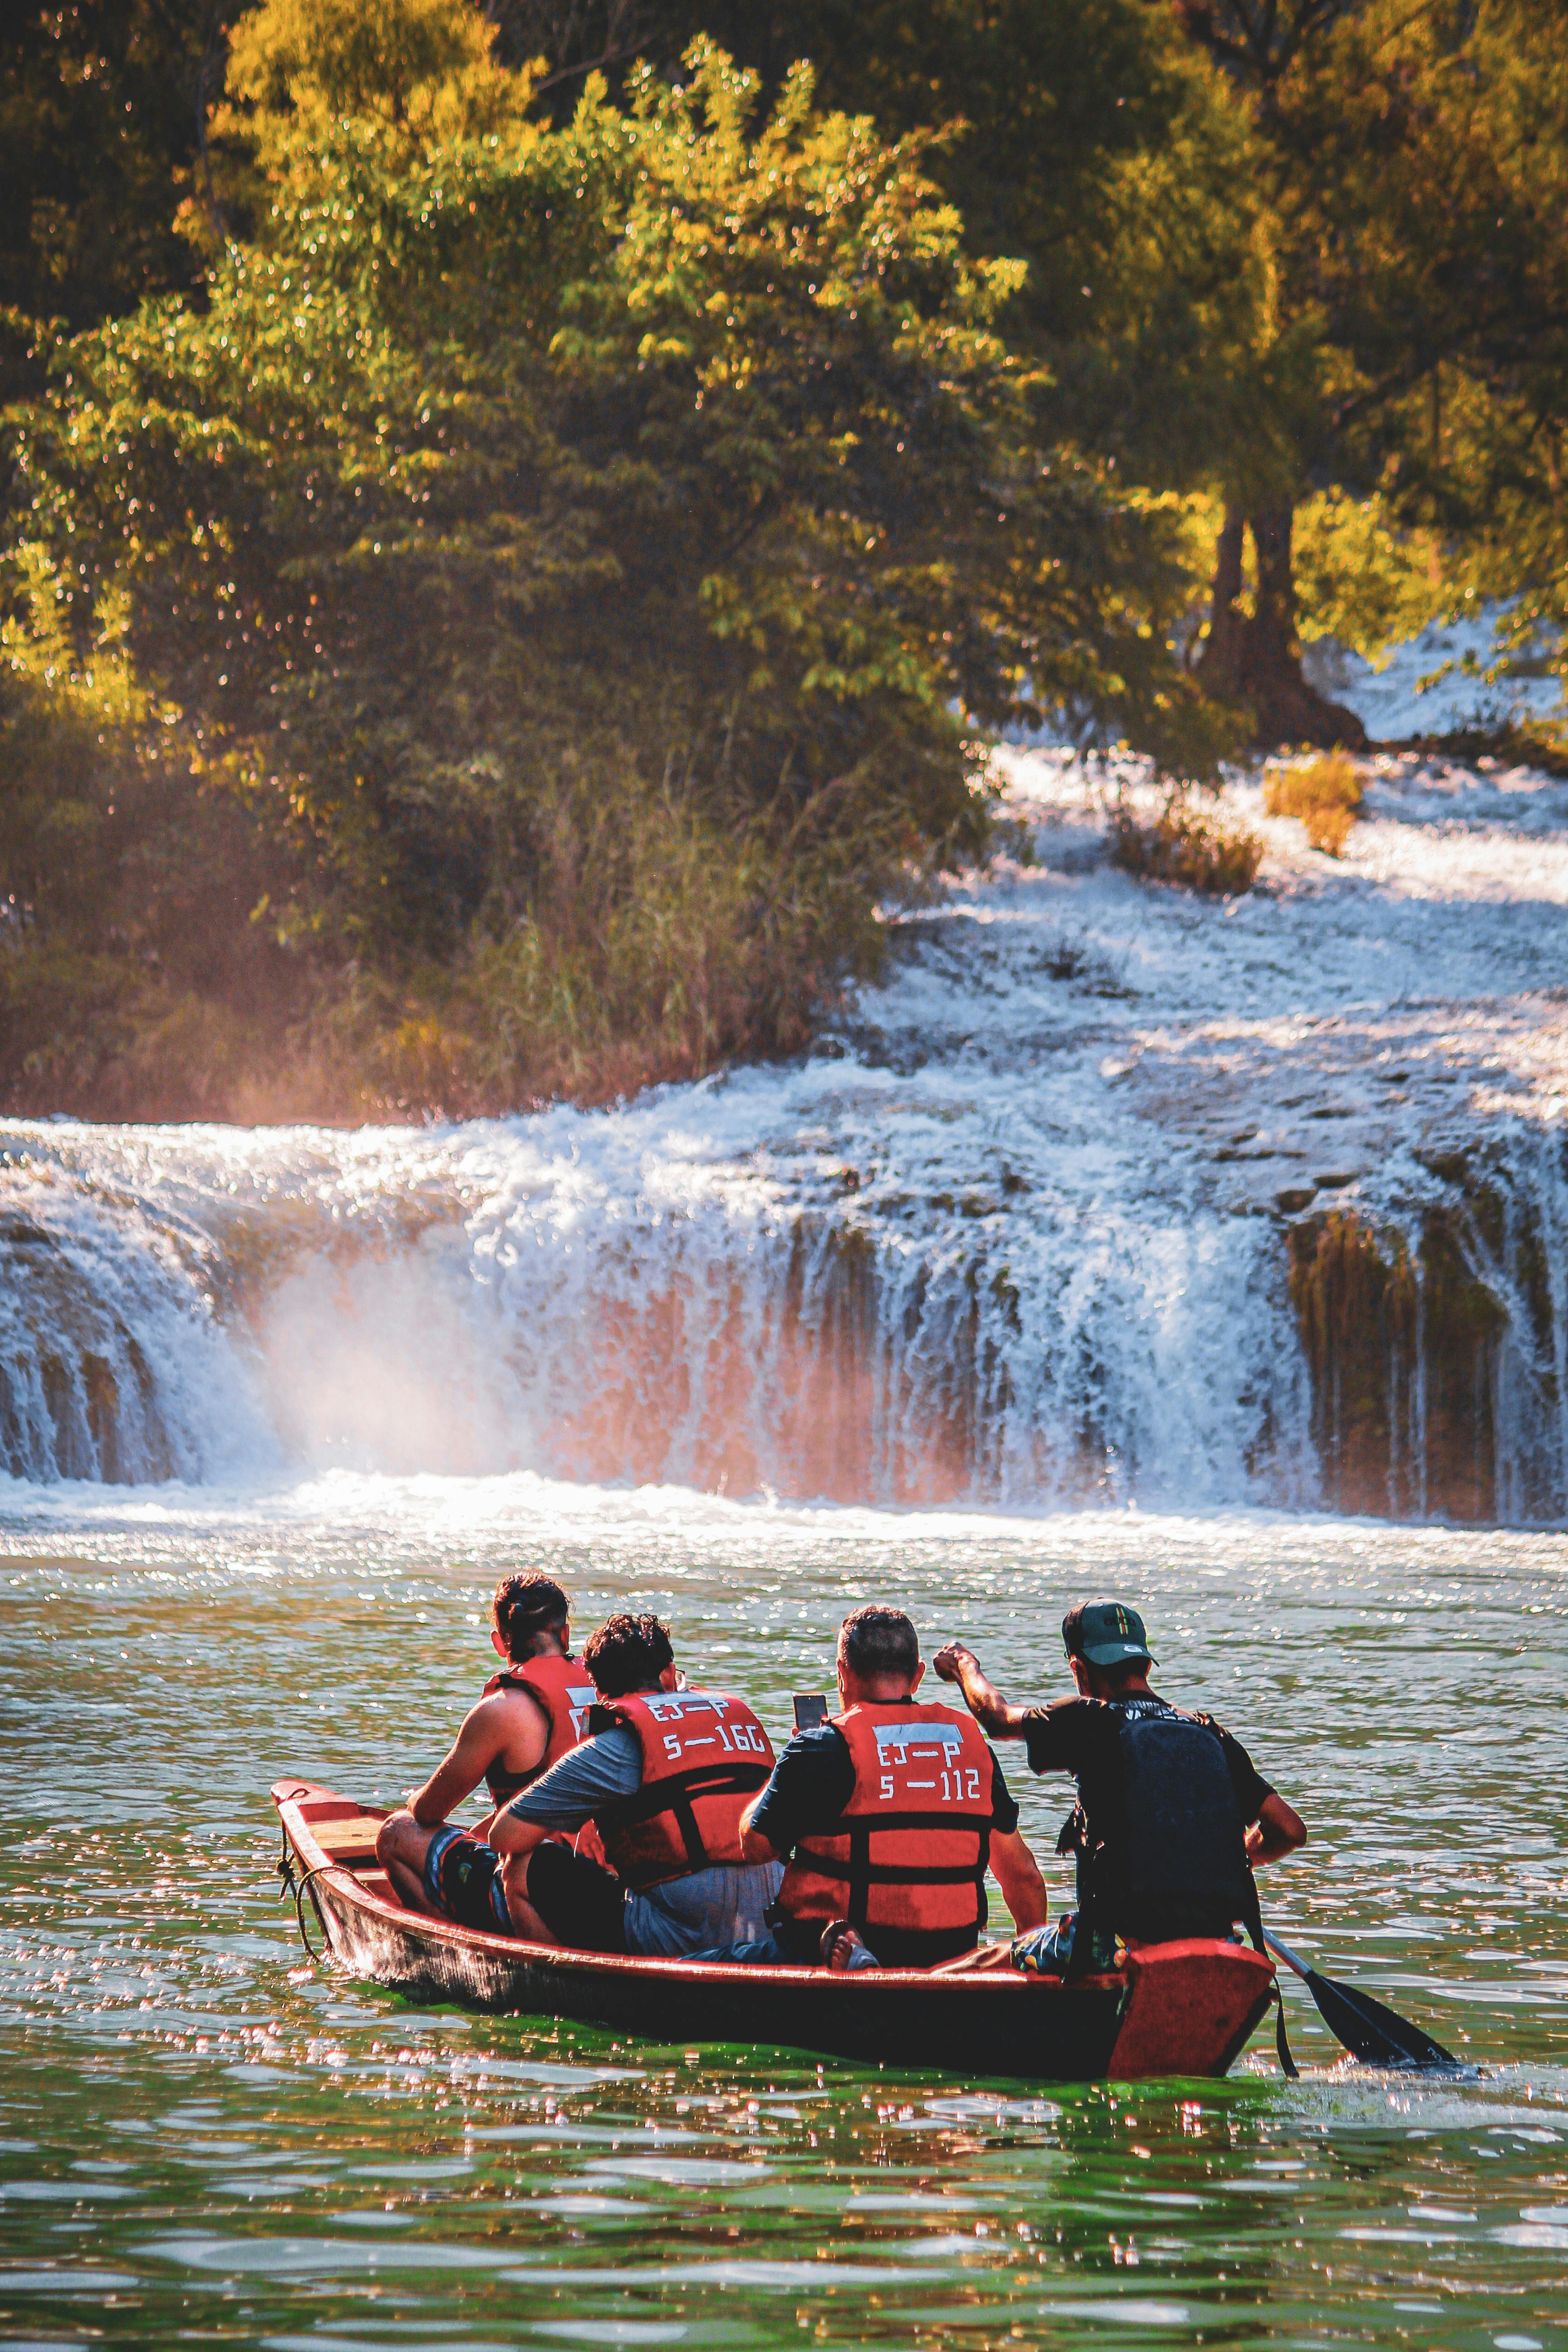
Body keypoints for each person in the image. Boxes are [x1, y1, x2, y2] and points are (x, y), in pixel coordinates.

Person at [934, 1599, 1306, 1974]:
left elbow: (997, 1719)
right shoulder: (1206, 1731)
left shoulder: (1088, 1719)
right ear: (1146, 1664)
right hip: (1218, 1941)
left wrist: (965, 1666)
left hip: (1116, 1945)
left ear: (1077, 1668)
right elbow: (1289, 1830)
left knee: (993, 1958)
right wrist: (1221, 1863)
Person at [695, 1604, 1049, 1970]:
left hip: (827, 1953)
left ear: (842, 1674)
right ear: (918, 1677)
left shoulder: (821, 1747)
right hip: (951, 1960)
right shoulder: (972, 1747)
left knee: (699, 1962)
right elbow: (1022, 1876)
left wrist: (788, 1765)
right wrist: (1031, 1966)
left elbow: (752, 1845)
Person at [487, 1611, 784, 1955]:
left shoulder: (616, 1745)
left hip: (680, 1934)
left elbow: (503, 1835)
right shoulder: (740, 1720)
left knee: (522, 1866)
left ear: (599, 1692)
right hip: (767, 1924)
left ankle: (566, 1988)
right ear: (669, 1676)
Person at [375, 1573, 597, 1934]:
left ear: (500, 1642)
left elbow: (431, 1810)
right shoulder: (607, 1685)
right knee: (483, 1832)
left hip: (537, 1886)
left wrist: (413, 1799)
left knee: (396, 1833)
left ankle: (452, 1954)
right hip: (604, 1878)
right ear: (565, 1633)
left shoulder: (502, 1709)